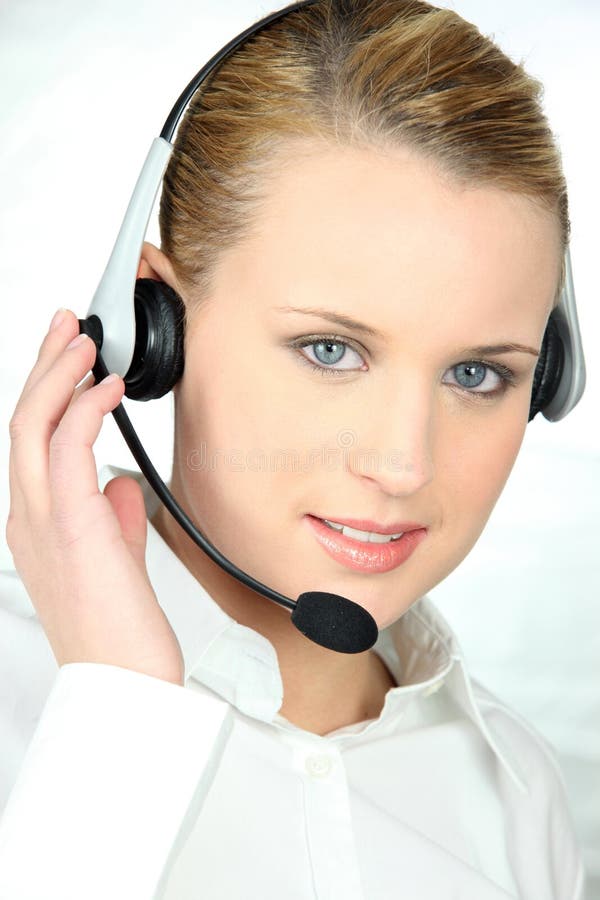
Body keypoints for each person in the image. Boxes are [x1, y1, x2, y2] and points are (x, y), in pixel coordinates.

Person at [0, 0, 587, 897]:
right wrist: (116, 710)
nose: (402, 466)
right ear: (147, 332)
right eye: (330, 351)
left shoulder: (515, 795)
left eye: (476, 375)